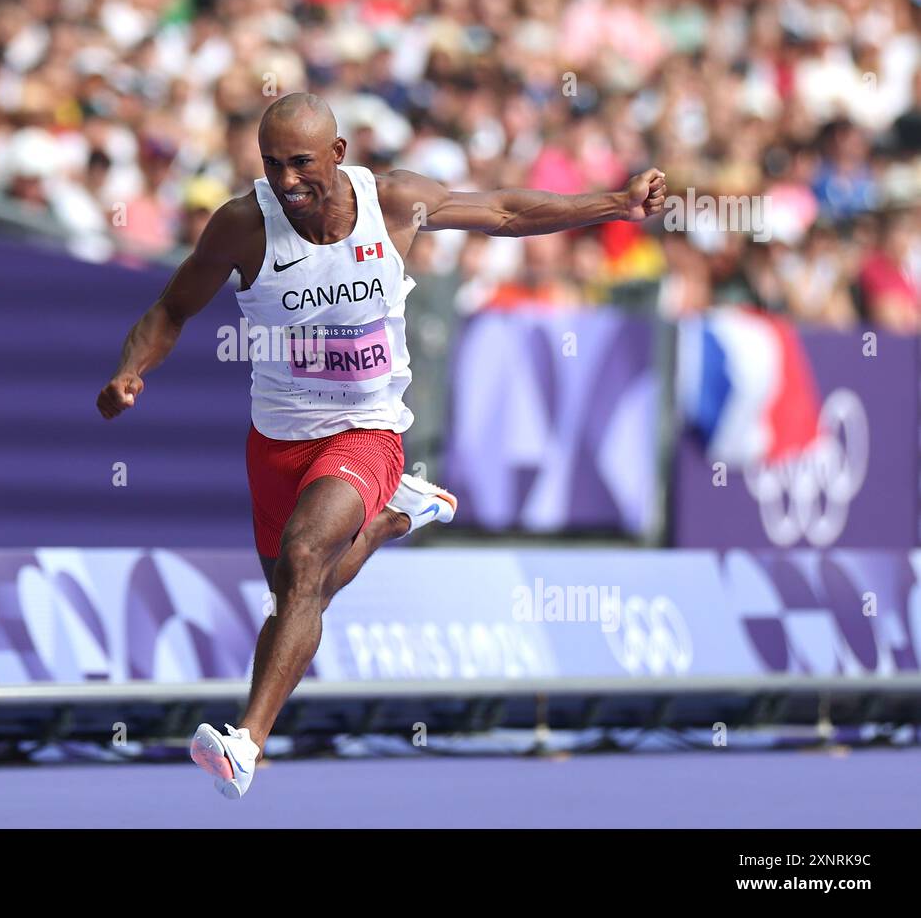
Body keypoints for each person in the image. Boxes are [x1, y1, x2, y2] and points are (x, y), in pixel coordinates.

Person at [96, 93, 666, 799]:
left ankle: (246, 742)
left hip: (367, 428)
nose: (286, 180)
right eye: (272, 164)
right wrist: (129, 372)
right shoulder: (244, 225)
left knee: (307, 559)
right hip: (277, 439)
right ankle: (396, 516)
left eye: (301, 163)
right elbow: (172, 308)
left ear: (338, 154)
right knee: (296, 595)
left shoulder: (394, 201)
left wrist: (615, 202)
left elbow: (508, 213)